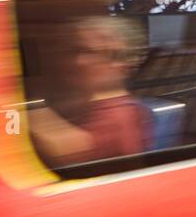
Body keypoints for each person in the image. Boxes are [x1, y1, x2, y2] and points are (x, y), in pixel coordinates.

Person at [30, 16, 149, 166]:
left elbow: (65, 149)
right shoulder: (95, 101)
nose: (78, 61)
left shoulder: (120, 113)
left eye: (90, 52)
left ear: (118, 62)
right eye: (75, 51)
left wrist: (20, 107)